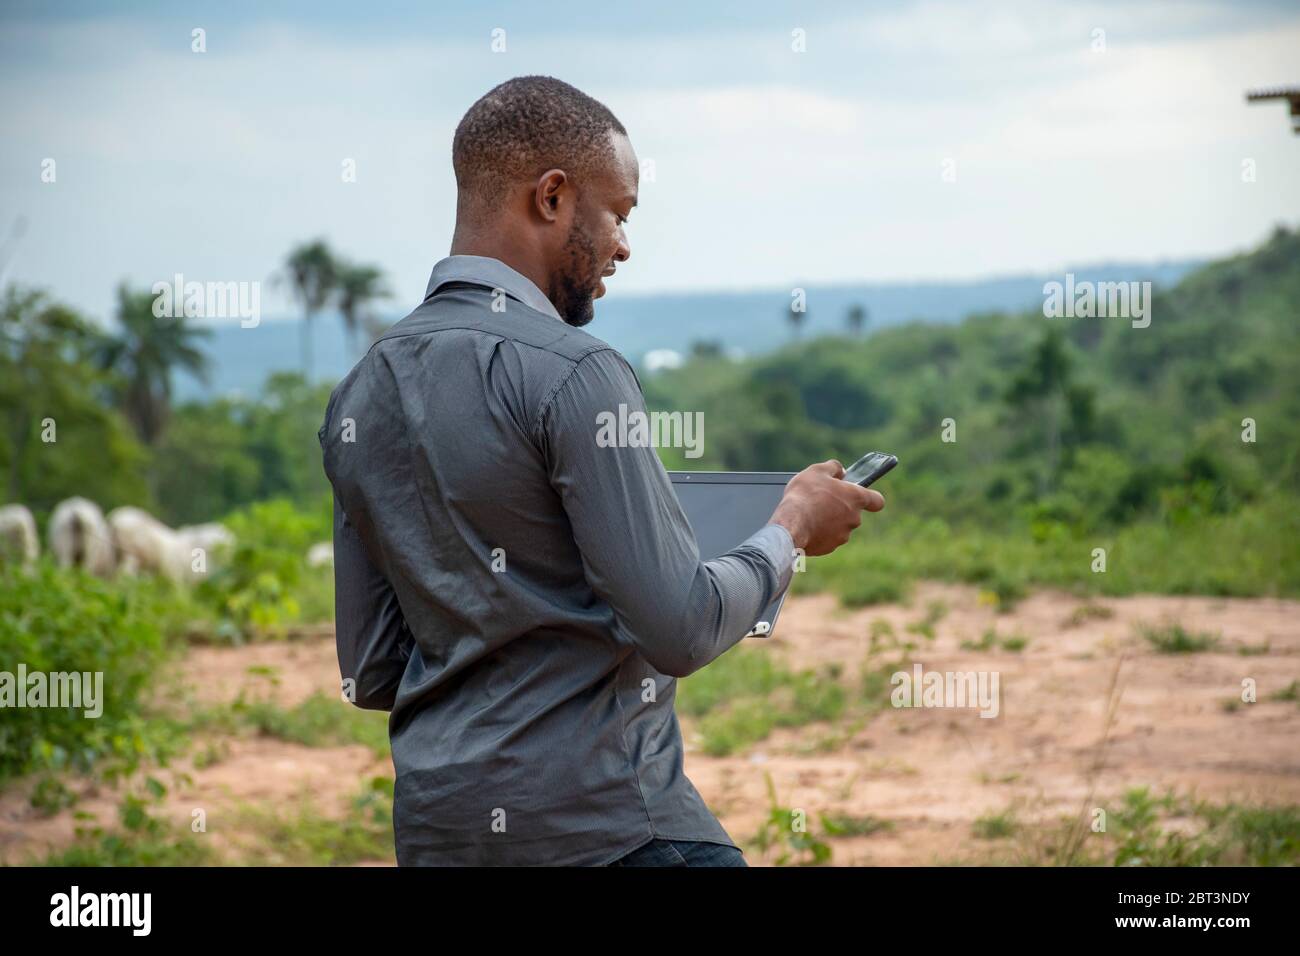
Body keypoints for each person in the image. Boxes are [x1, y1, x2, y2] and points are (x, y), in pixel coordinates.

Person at [320, 75, 885, 867]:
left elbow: (373, 668)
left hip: (439, 835)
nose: (624, 244)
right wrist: (791, 526)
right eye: (619, 212)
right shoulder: (576, 374)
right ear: (552, 197)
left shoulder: (361, 390)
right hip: (611, 829)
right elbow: (682, 627)